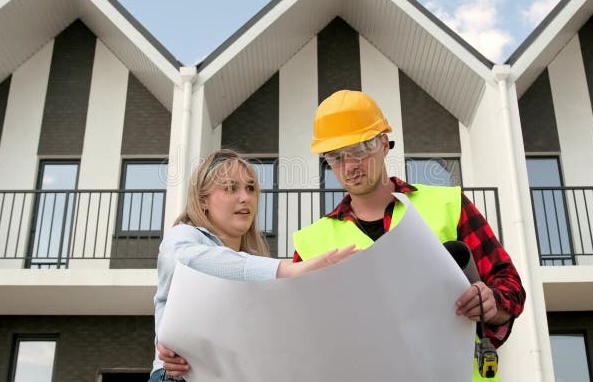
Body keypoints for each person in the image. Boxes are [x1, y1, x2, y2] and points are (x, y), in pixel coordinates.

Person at [291, 89, 526, 381]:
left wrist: (492, 302)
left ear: (384, 144)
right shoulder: (311, 243)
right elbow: (300, 333)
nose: (349, 166)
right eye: (336, 157)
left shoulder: (448, 205)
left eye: (360, 150)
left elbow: (510, 284)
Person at [150, 149, 356, 382]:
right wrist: (288, 270)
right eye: (230, 188)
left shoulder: (255, 260)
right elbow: (185, 260)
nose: (245, 197)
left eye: (250, 188)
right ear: (202, 200)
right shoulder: (184, 236)